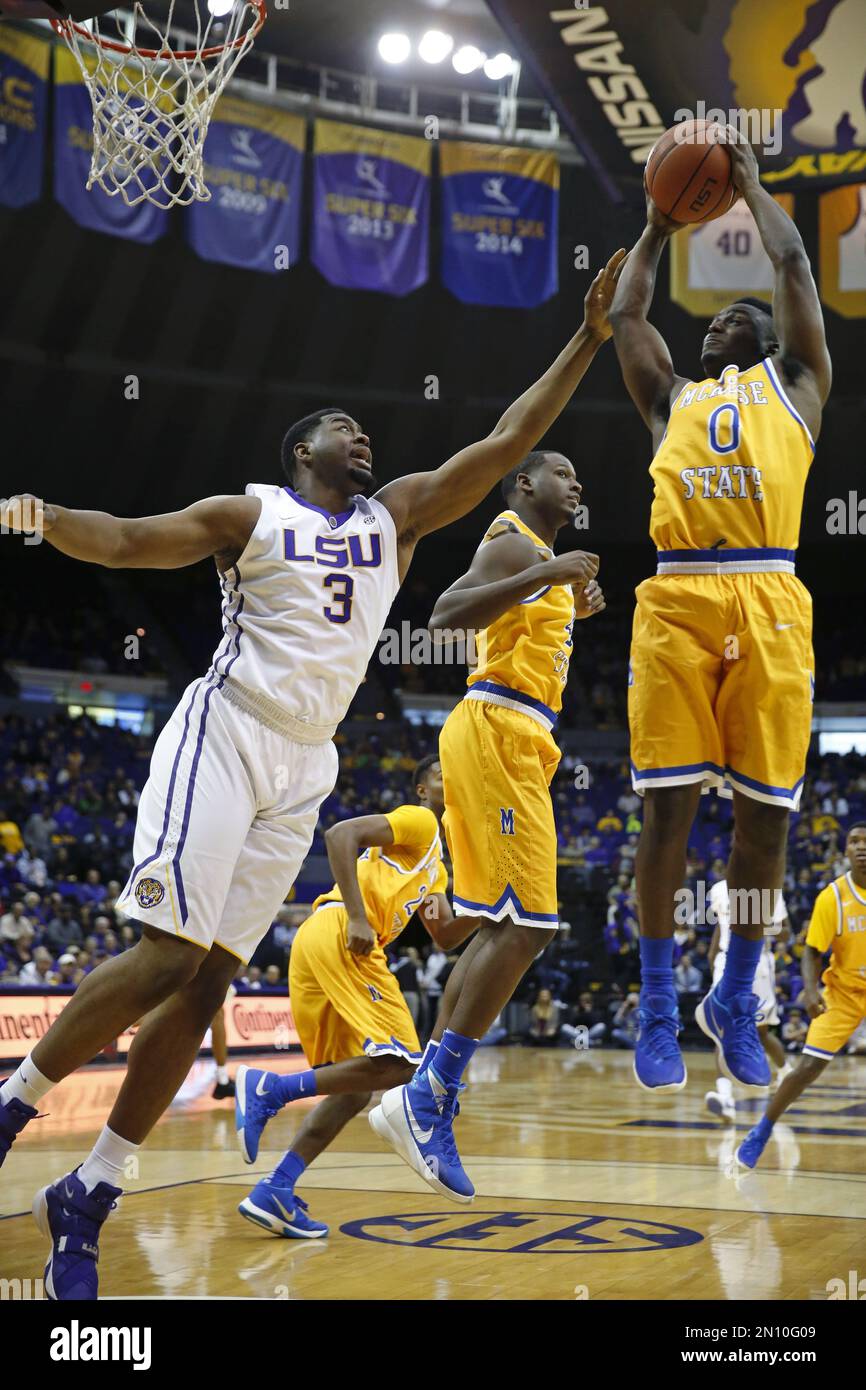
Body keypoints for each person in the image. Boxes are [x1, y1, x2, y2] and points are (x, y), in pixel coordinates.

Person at [0, 254, 626, 1299]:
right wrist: (44, 518)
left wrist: (587, 337)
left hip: (305, 765)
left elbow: (507, 441)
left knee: (206, 984)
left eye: (364, 430)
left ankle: (92, 1189)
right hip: (228, 728)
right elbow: (127, 539)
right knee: (165, 955)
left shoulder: (396, 521)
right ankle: (16, 1106)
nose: (363, 437)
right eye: (341, 427)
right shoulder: (249, 515)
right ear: (301, 452)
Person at [609, 126, 832, 1094]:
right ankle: (659, 1001)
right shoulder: (671, 398)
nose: (713, 328)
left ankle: (733, 993)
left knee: (764, 829)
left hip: (771, 591)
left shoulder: (797, 383)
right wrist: (656, 229)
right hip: (676, 597)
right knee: (664, 817)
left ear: (764, 335)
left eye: (730, 318)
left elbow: (788, 258)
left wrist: (744, 187)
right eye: (705, 324)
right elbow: (624, 318)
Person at [367, 353, 618, 1201]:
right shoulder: (513, 539)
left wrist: (560, 599)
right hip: (496, 726)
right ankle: (429, 1096)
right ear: (522, 486)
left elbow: (519, 617)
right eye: (563, 471)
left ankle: (428, 1096)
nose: (576, 483)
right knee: (533, 924)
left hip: (520, 736)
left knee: (501, 925)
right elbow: (442, 614)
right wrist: (546, 575)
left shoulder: (533, 554)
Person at [234, 756, 472, 1234]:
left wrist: (495, 909)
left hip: (321, 941)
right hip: (346, 931)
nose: (452, 780)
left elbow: (444, 935)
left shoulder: (436, 868)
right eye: (441, 775)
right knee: (404, 1065)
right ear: (422, 790)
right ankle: (270, 1090)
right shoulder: (419, 821)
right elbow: (340, 835)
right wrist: (360, 918)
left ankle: (276, 1188)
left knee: (352, 1088)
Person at [736, 823, 866, 1168]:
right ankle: (762, 1130)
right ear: (845, 851)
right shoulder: (833, 897)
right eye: (854, 842)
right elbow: (812, 951)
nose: (861, 848)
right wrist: (810, 991)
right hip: (844, 991)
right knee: (808, 1067)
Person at [704, 878, 794, 1122]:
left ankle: (786, 1073)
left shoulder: (770, 887)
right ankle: (725, 1099)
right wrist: (713, 959)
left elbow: (785, 932)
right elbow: (719, 929)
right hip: (726, 961)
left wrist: (756, 927)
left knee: (761, 1032)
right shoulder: (719, 889)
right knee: (722, 1030)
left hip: (758, 963)